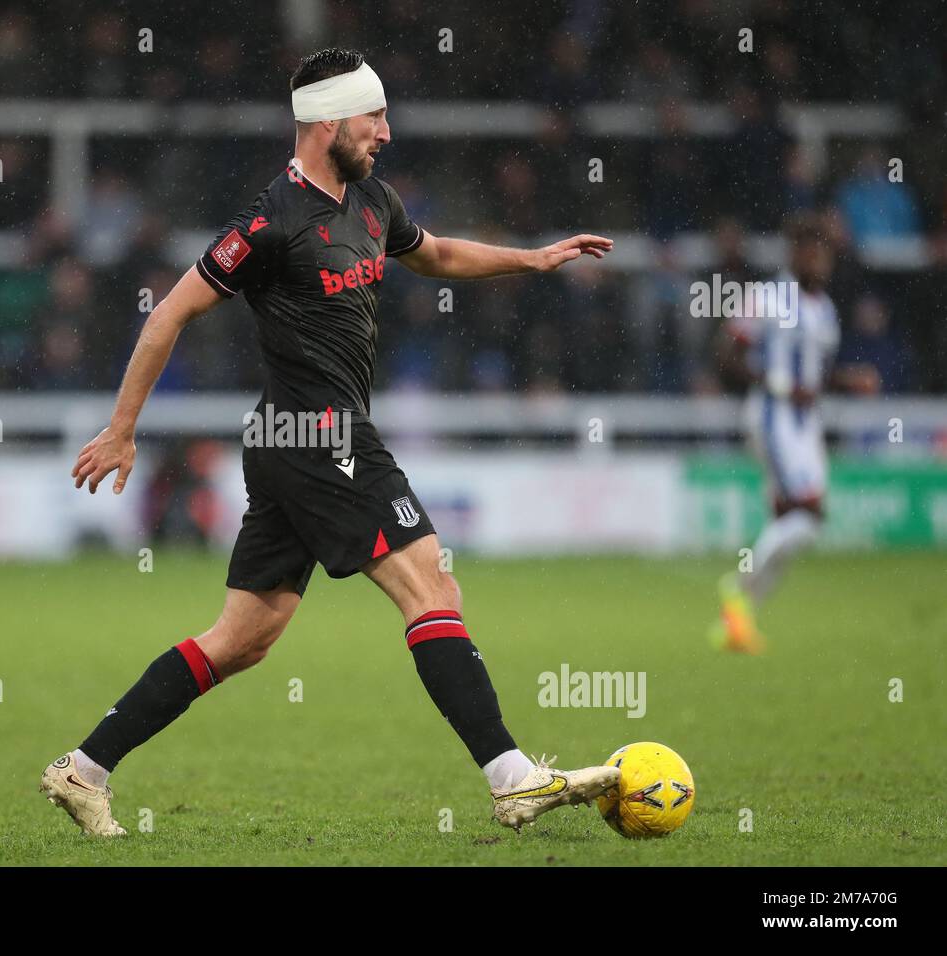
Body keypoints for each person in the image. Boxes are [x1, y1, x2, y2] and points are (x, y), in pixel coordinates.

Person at [45, 49, 617, 836]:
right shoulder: (268, 222)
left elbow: (439, 254)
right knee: (432, 588)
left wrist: (534, 258)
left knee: (242, 640)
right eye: (372, 117)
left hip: (292, 441)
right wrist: (121, 428)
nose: (386, 131)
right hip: (318, 436)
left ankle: (84, 770)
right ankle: (512, 778)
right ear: (326, 125)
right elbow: (169, 313)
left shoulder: (373, 201)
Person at [711, 214, 840, 653]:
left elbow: (814, 379)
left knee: (795, 525)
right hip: (771, 419)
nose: (818, 262)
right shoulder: (766, 298)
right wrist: (781, 386)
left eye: (823, 254)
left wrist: (847, 381)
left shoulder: (825, 310)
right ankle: (737, 588)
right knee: (810, 512)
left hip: (805, 427)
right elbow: (726, 355)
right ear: (795, 253)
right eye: (810, 252)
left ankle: (738, 620)